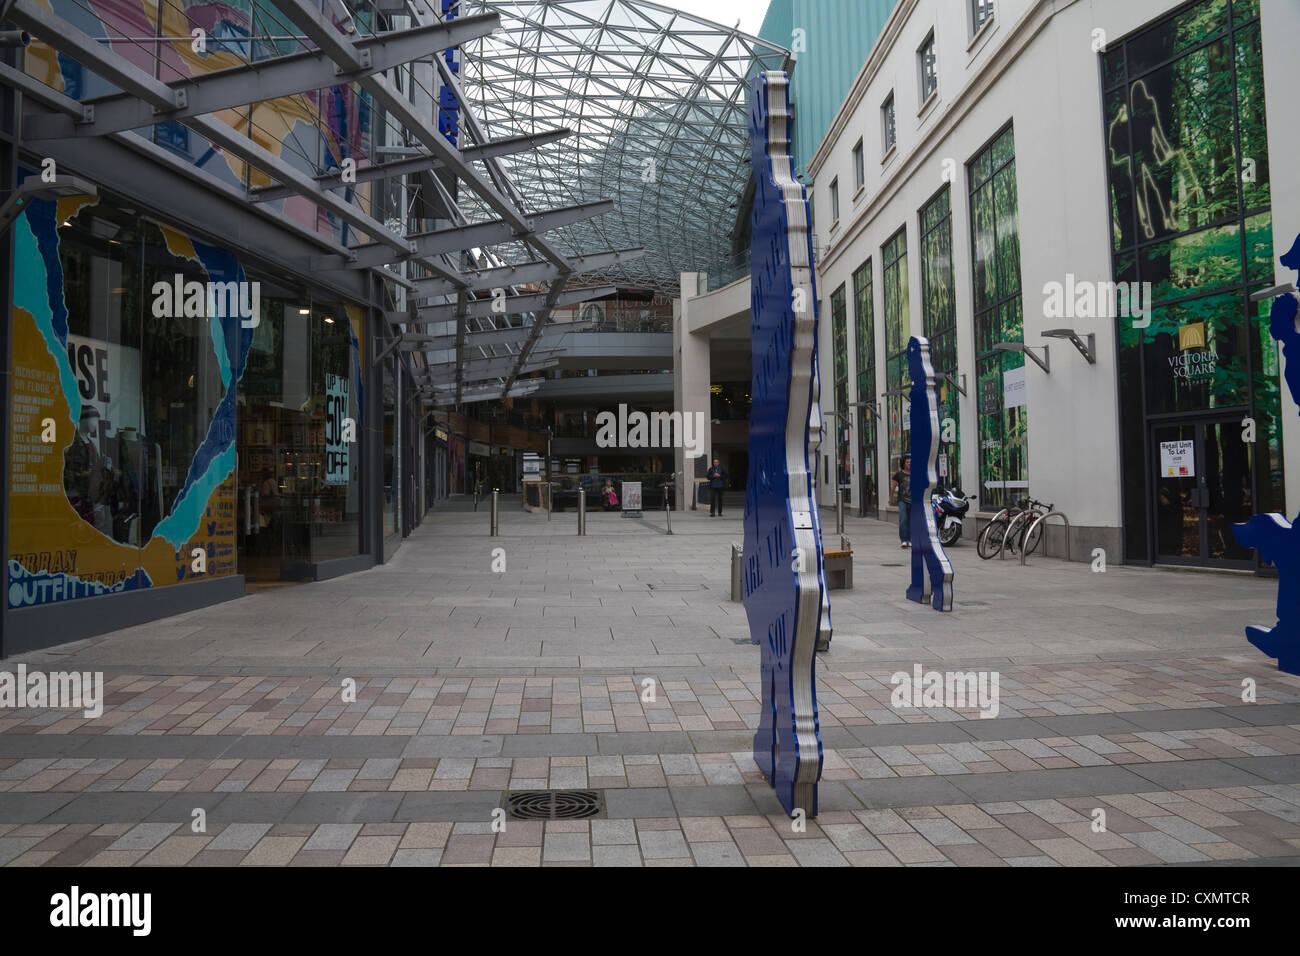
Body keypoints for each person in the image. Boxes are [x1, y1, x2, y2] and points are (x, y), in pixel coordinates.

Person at [892, 453, 912, 548]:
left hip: (914, 500)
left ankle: (911, 539)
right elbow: (893, 486)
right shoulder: (899, 474)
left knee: (912, 520)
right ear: (903, 463)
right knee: (903, 519)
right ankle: (904, 540)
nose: (909, 464)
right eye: (907, 462)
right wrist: (891, 498)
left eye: (911, 462)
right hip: (902, 500)